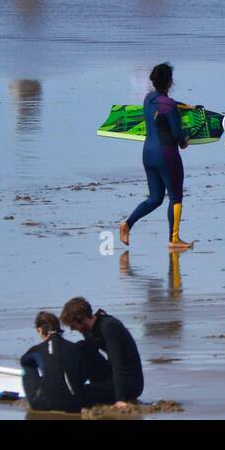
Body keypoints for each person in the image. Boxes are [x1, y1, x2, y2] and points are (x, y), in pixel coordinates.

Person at [119, 62, 192, 251]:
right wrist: (185, 141)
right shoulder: (169, 106)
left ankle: (127, 224)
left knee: (155, 198)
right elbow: (177, 133)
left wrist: (180, 105)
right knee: (176, 197)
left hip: (147, 153)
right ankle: (174, 239)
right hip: (166, 154)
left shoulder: (148, 98)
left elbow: (164, 103)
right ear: (170, 81)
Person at [60, 298, 144, 408]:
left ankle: (107, 394)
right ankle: (72, 387)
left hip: (130, 384)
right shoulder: (88, 331)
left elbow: (117, 363)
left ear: (82, 319)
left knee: (81, 394)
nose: (72, 328)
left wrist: (120, 399)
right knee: (81, 347)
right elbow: (87, 360)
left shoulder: (108, 326)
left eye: (73, 324)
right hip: (111, 378)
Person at [19, 311, 92, 413]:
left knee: (27, 367)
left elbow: (23, 361)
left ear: (39, 330)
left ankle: (41, 392)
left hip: (42, 404)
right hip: (74, 404)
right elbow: (82, 374)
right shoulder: (75, 348)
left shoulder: (37, 350)